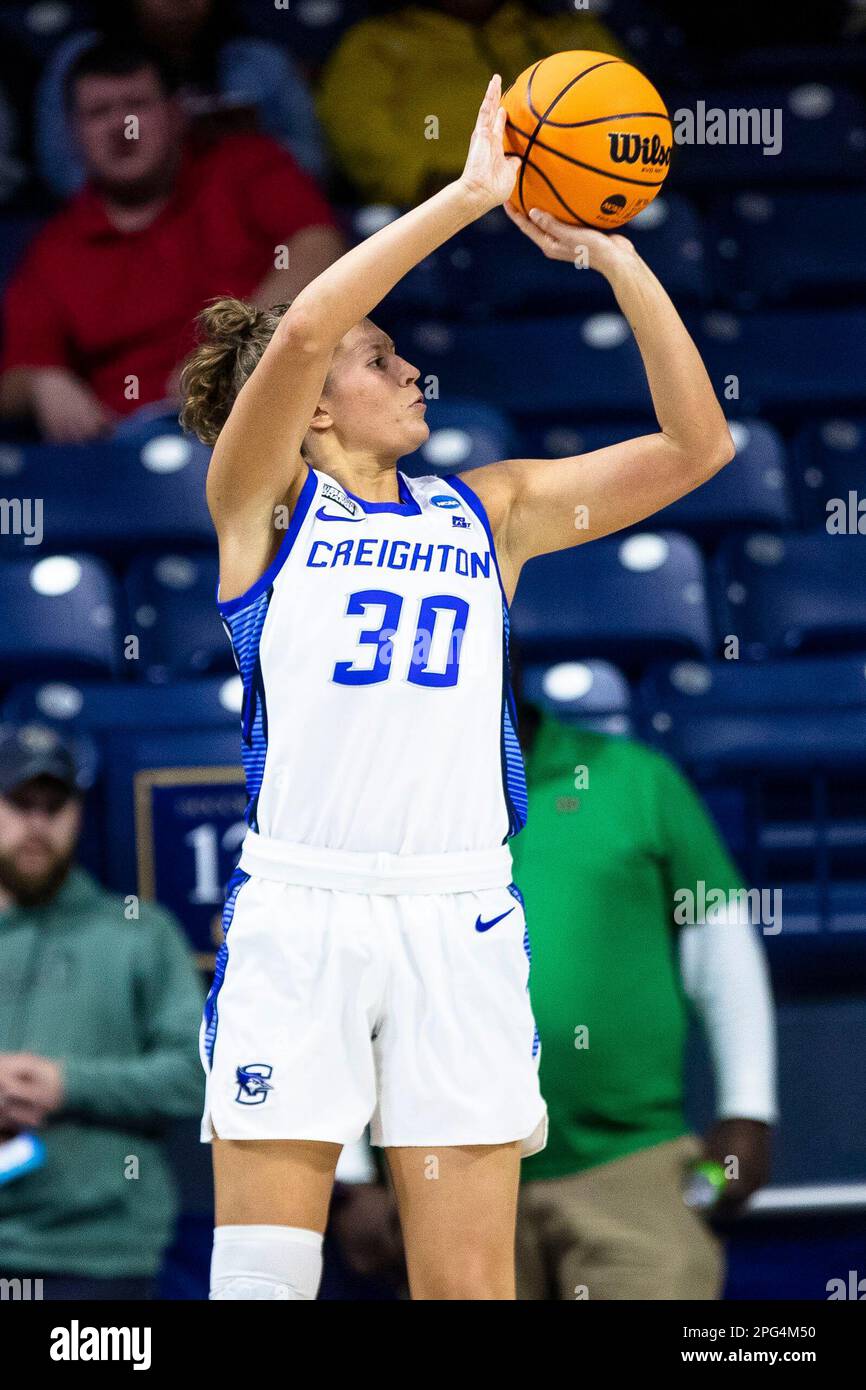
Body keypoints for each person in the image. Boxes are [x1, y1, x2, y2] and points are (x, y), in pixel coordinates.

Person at [178, 73, 735, 1301]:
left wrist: (610, 254)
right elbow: (315, 323)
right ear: (315, 408)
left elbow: (699, 448)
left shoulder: (490, 513)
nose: (412, 367)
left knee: (470, 1292)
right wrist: (467, 195)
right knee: (260, 1282)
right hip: (302, 911)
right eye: (386, 359)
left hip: (457, 913)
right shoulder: (260, 503)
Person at [507, 646, 776, 1300]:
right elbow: (342, 974)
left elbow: (721, 941)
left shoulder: (632, 777)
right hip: (446, 1173)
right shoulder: (386, 800)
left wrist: (749, 1109)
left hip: (630, 1166)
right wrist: (352, 1176)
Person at [0, 41, 345, 444]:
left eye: (137, 104)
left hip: (273, 415)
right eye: (97, 113)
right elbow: (13, 380)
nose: (120, 125)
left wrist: (229, 348)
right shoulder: (54, 247)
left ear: (176, 113)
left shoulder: (246, 166)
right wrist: (44, 382)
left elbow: (321, 250)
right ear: (74, 134)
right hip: (129, 452)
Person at [0, 725, 205, 1300]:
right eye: (18, 804)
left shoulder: (139, 931)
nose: (36, 824)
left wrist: (65, 1085)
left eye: (54, 805)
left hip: (100, 1257)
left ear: (78, 815)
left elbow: (195, 1075)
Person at [316, 0, 628, 205]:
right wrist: (469, 187)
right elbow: (368, 148)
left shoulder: (575, 34)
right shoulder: (373, 44)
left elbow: (630, 122)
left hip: (580, 200)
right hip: (448, 210)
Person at [34, 0, 331, 200]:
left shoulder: (262, 60)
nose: (179, 4)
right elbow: (62, 174)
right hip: (125, 221)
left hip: (241, 211)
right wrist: (155, 162)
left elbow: (315, 167)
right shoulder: (80, 59)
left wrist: (246, 146)